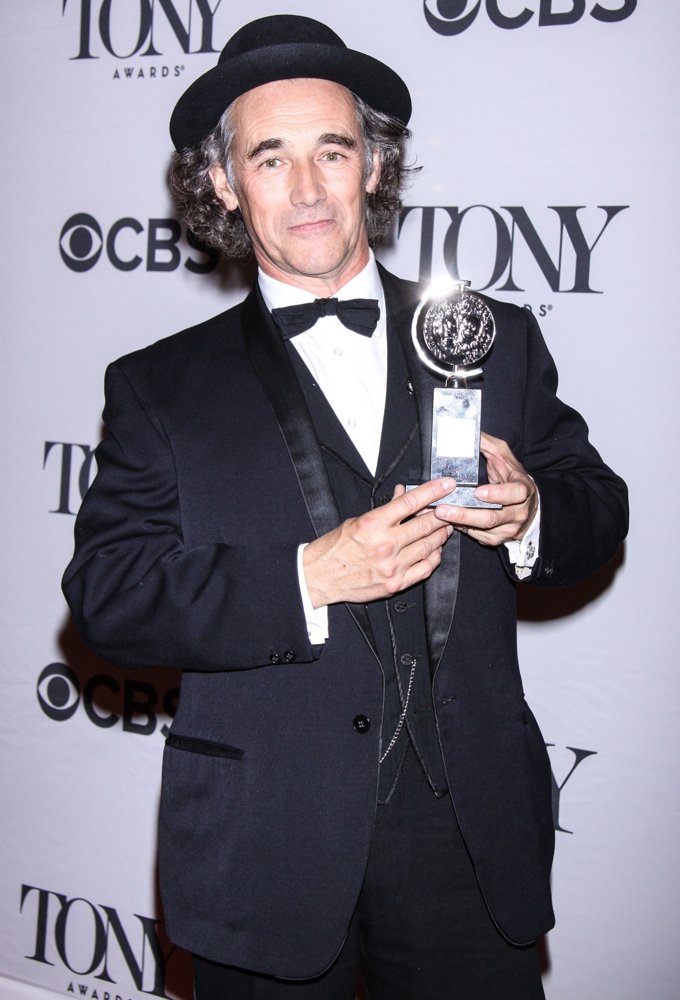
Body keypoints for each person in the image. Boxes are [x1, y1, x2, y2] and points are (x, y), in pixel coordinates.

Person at [62, 14, 628, 1000]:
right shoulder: (159, 386)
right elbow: (109, 595)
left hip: (467, 839)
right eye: (269, 158)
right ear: (223, 183)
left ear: (371, 164)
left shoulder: (492, 337)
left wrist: (533, 512)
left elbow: (598, 508)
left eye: (331, 150)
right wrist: (307, 578)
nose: (308, 188)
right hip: (263, 843)